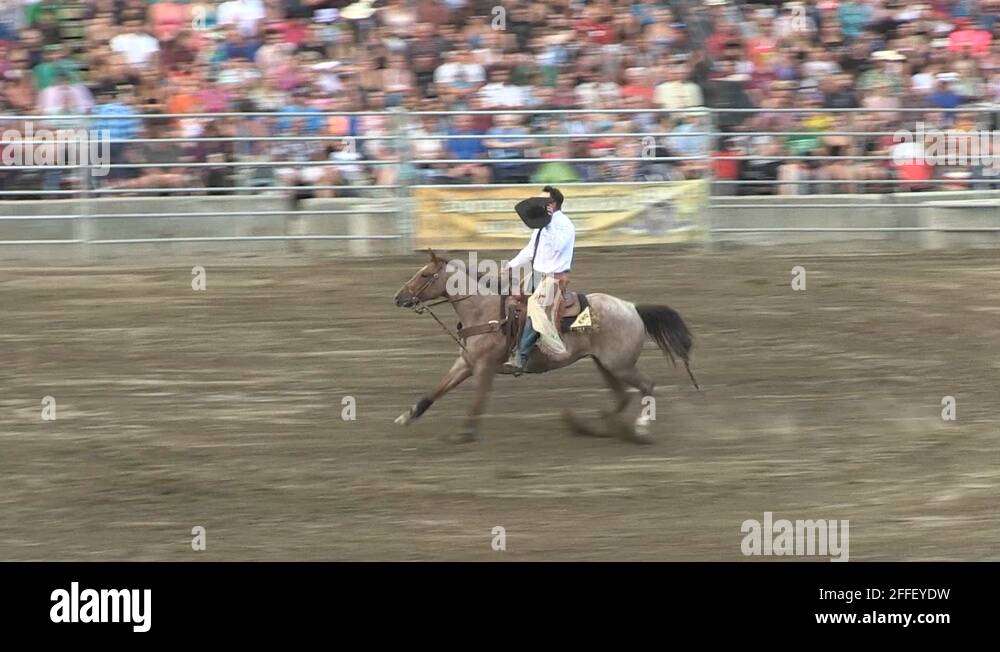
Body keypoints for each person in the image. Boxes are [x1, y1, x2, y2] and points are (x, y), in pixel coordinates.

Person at [504, 186, 576, 373]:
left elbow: (558, 247)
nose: (538, 203)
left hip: (555, 279)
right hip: (536, 274)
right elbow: (529, 251)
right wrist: (510, 265)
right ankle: (510, 343)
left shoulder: (564, 225)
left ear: (552, 204)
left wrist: (548, 222)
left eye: (543, 201)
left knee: (536, 307)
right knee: (512, 300)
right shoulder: (541, 226)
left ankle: (522, 356)